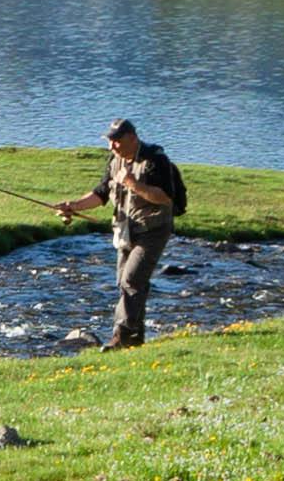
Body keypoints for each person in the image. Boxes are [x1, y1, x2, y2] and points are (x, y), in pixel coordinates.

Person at [55, 118, 188, 347]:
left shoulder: (156, 160)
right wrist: (73, 205)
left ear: (132, 138)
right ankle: (136, 338)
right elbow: (101, 193)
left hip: (153, 230)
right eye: (110, 141)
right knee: (126, 283)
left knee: (132, 280)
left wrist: (133, 183)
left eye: (116, 141)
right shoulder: (115, 160)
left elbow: (164, 197)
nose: (112, 146)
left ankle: (121, 337)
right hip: (125, 231)